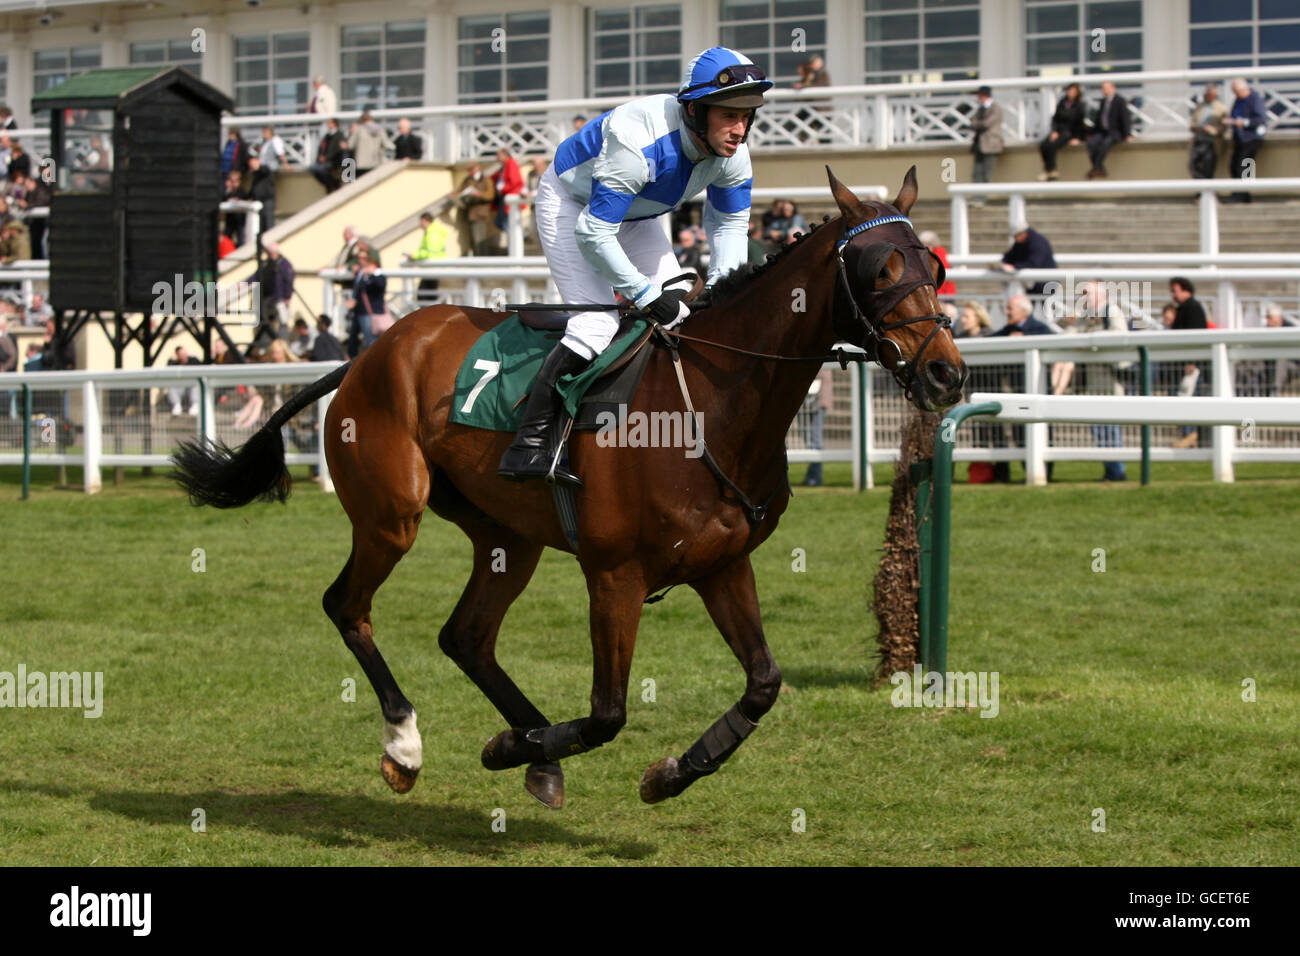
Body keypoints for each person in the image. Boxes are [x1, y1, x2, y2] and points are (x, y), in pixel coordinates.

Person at [498, 46, 772, 484]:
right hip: (573, 207)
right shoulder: (637, 138)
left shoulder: (733, 155)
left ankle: (656, 434)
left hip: (636, 216)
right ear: (695, 111)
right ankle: (528, 445)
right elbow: (594, 233)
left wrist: (724, 292)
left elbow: (729, 224)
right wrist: (644, 295)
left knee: (686, 314)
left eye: (746, 116)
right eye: (728, 116)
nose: (739, 130)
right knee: (596, 325)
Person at [1078, 281, 1128, 481]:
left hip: (1110, 380)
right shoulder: (1087, 316)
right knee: (1098, 428)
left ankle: (1117, 471)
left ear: (1099, 295)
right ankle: (1111, 470)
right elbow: (1072, 333)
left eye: (1086, 293)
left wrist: (1091, 339)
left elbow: (1120, 336)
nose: (1082, 298)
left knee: (1110, 427)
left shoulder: (1112, 311)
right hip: (1094, 382)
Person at [1169, 277, 1208, 448]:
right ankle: (1190, 435)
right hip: (1186, 363)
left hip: (1190, 365)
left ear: (1186, 290)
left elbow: (1196, 336)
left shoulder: (1192, 308)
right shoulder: (1188, 308)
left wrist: (1192, 361)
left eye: (1175, 291)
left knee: (1185, 398)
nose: (1172, 295)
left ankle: (1190, 434)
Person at [1226, 78, 1269, 203]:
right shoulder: (1238, 100)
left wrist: (1244, 122)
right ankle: (1239, 193)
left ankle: (1244, 194)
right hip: (1239, 138)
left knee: (1245, 164)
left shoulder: (1255, 99)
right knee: (1234, 165)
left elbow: (1261, 119)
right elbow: (1234, 115)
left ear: (1244, 89)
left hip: (1251, 138)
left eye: (1236, 92)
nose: (1236, 94)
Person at [1038, 82, 1086, 181]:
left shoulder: (1080, 106)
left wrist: (1077, 138)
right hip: (1058, 131)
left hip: (1069, 132)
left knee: (1052, 146)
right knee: (1043, 145)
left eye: (1073, 91)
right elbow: (1055, 118)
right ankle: (1049, 169)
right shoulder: (1062, 103)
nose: (1071, 93)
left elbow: (1079, 124)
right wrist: (1054, 131)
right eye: (1070, 90)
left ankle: (1051, 170)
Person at [1086, 80, 1133, 179]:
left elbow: (1125, 118)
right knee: (1092, 143)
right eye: (1103, 88)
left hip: (1115, 132)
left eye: (1107, 88)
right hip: (1103, 131)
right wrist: (1091, 133)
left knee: (1106, 143)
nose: (1105, 90)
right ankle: (1098, 167)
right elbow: (1099, 119)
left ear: (1113, 88)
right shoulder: (1103, 102)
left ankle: (1096, 168)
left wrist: (1128, 134)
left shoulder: (1119, 100)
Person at [345, 247, 387, 356]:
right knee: (353, 338)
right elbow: (358, 289)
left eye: (364, 258)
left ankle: (373, 359)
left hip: (372, 312)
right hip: (360, 310)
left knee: (371, 340)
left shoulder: (377, 275)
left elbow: (380, 286)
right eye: (359, 258)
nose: (361, 261)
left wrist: (371, 274)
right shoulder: (360, 273)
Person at [998, 219, 1056, 296]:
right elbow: (1010, 256)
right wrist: (1002, 264)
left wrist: (1014, 267)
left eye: (1016, 236)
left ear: (1023, 233)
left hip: (1045, 284)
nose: (1015, 238)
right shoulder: (1021, 243)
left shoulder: (1038, 243)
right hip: (1034, 283)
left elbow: (1033, 264)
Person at [799, 367, 834, 486]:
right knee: (808, 439)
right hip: (804, 399)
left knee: (815, 440)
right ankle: (812, 476)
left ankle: (814, 477)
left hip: (819, 398)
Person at [1189, 83, 1230, 180]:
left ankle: (1207, 186)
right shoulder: (1200, 106)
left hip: (1212, 142)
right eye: (1207, 94)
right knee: (1193, 166)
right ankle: (1201, 185)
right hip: (1198, 140)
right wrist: (1195, 127)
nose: (1208, 96)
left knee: (1209, 167)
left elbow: (1224, 125)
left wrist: (1213, 130)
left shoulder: (1221, 108)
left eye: (1211, 94)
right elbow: (1193, 121)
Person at [407, 209, 449, 303]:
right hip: (432, 268)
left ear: (426, 221)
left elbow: (430, 252)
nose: (420, 225)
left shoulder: (433, 233)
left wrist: (415, 255)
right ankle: (432, 311)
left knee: (425, 296)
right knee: (428, 295)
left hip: (432, 268)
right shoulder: (433, 231)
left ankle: (432, 312)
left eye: (421, 222)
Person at [456, 163, 496, 256]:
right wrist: (455, 195)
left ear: (477, 167)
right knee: (473, 240)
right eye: (469, 170)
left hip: (481, 213)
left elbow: (491, 195)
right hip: (470, 213)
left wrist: (480, 194)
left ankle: (482, 260)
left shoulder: (485, 179)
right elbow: (460, 191)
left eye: (472, 169)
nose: (470, 171)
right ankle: (477, 259)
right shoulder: (467, 180)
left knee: (480, 240)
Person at [969, 85, 1003, 187]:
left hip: (990, 144)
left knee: (987, 174)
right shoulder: (981, 109)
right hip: (979, 144)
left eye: (980, 96)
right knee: (977, 174)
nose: (979, 98)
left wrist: (977, 124)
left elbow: (986, 124)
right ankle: (977, 195)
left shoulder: (995, 108)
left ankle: (983, 195)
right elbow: (972, 122)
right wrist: (977, 124)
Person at [490, 147, 524, 245]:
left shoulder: (511, 163)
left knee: (506, 222)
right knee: (502, 222)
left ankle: (521, 238)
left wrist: (503, 189)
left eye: (499, 155)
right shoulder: (505, 165)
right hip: (505, 197)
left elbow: (515, 181)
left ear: (505, 155)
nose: (497, 157)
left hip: (509, 197)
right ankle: (517, 240)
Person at [259, 240, 295, 327]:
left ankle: (282, 336)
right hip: (268, 298)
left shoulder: (284, 264)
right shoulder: (267, 263)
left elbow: (289, 281)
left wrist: (287, 296)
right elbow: (258, 275)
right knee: (266, 321)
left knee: (283, 321)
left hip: (280, 298)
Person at [348, 112, 392, 178]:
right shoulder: (380, 129)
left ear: (362, 120)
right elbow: (386, 145)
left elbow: (350, 145)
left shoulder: (359, 130)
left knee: (362, 183)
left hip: (361, 164)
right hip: (376, 163)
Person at [310, 117, 347, 193]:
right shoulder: (327, 136)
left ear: (334, 124)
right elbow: (321, 147)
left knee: (325, 171)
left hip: (334, 162)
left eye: (330, 123)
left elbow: (338, 149)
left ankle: (333, 184)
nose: (328, 125)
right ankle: (331, 184)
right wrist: (320, 157)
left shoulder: (339, 135)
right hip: (324, 161)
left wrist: (326, 158)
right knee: (313, 168)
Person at [919, 230, 956, 297]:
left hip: (943, 293)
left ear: (932, 245)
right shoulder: (932, 254)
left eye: (925, 244)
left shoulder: (938, 255)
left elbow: (940, 275)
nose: (923, 247)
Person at [166, 346, 200, 415]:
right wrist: (174, 360)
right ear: (178, 356)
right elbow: (169, 368)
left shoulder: (193, 360)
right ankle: (176, 406)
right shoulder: (174, 363)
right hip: (181, 389)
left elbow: (200, 368)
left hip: (191, 388)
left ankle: (195, 405)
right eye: (181, 354)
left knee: (195, 385)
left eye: (184, 353)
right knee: (171, 387)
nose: (183, 356)